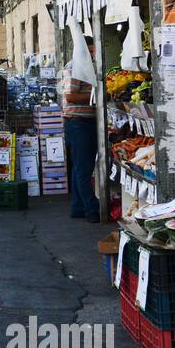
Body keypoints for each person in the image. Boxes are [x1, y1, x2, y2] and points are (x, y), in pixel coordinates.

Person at [62, 33, 100, 223]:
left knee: (81, 167)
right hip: (77, 124)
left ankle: (78, 206)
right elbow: (70, 97)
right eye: (91, 51)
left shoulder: (86, 67)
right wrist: (98, 97)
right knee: (83, 168)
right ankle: (92, 209)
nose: (93, 54)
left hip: (85, 122)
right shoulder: (74, 67)